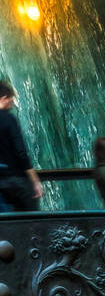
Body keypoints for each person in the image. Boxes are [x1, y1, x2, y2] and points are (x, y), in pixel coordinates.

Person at [0, 82, 42, 212]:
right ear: (3, 98)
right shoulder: (9, 119)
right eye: (11, 98)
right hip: (17, 180)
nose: (13, 102)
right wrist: (35, 181)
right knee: (32, 221)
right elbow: (21, 152)